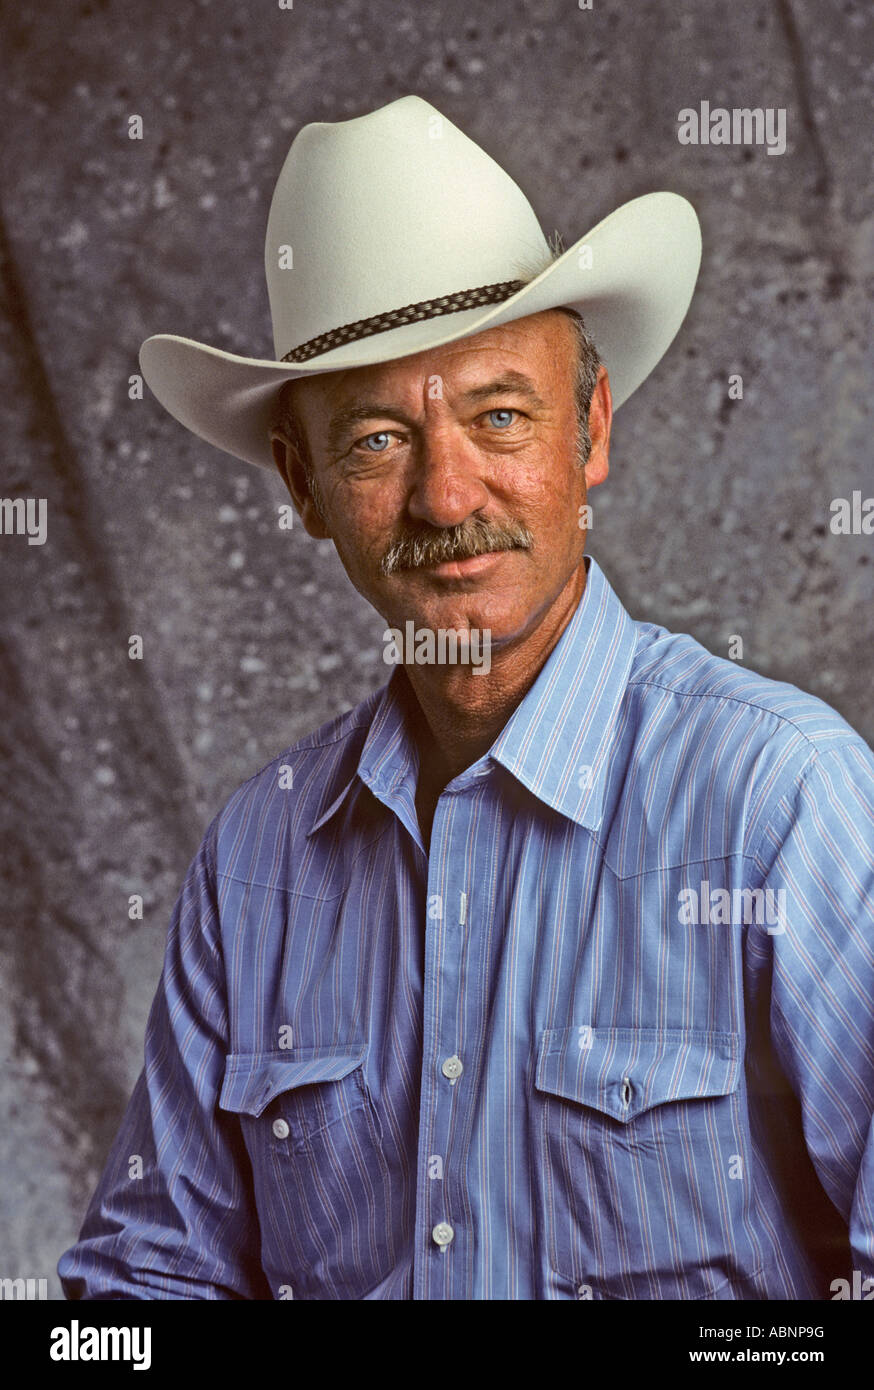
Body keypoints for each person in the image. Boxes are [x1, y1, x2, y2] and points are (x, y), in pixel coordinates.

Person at [58, 95, 874, 1301]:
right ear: (303, 484)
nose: (447, 496)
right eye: (379, 439)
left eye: (500, 415)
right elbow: (137, 1296)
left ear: (588, 427)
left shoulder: (779, 802)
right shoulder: (258, 864)